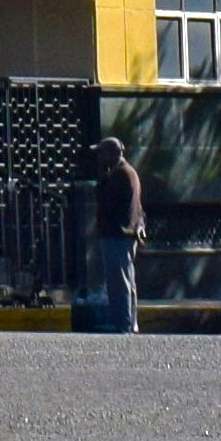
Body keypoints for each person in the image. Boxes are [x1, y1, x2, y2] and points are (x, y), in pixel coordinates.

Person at [80, 131, 146, 335]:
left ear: (110, 155)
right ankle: (130, 322)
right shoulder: (130, 172)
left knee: (119, 284)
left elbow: (105, 201)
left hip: (117, 235)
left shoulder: (120, 175)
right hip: (126, 235)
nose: (99, 159)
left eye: (101, 154)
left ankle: (123, 324)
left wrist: (102, 178)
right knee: (127, 280)